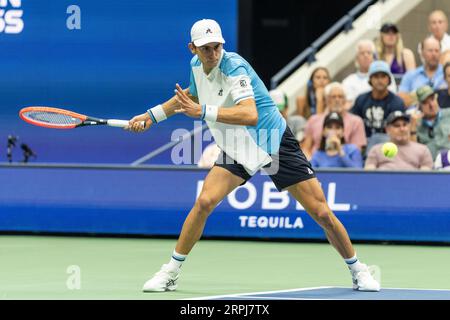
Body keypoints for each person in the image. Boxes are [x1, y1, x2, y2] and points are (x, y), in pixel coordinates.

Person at [127, 19, 379, 292]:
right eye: (205, 48)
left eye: (216, 47)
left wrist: (202, 112)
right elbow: (190, 97)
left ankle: (358, 270)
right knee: (204, 202)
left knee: (321, 213)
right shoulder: (196, 67)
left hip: (272, 141)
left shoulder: (235, 67)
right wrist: (152, 116)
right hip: (237, 145)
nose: (212, 53)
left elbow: (250, 114)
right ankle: (171, 272)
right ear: (193, 49)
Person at [351, 61, 405, 155]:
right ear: (370, 79)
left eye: (383, 76)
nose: (380, 80)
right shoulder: (361, 100)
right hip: (364, 145)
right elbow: (354, 126)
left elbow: (400, 130)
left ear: (389, 79)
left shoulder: (397, 102)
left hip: (390, 146)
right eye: (376, 76)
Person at [302, 82, 367, 159]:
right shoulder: (313, 120)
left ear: (345, 100)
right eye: (333, 97)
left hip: (343, 165)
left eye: (340, 97)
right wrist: (311, 164)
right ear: (327, 100)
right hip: (316, 166)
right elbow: (305, 148)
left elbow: (357, 151)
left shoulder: (356, 121)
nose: (337, 100)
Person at [365, 111, 433, 170]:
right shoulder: (376, 150)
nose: (402, 129)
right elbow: (368, 175)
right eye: (397, 126)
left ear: (409, 127)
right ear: (387, 130)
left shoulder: (423, 150)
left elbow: (426, 178)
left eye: (405, 125)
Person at [342, 39, 397, 109]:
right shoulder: (348, 81)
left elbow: (392, 98)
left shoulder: (387, 76)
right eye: (362, 53)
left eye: (369, 53)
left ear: (374, 57)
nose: (365, 56)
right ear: (356, 58)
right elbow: (348, 106)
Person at [399, 36, 446, 107]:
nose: (434, 54)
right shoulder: (410, 75)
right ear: (422, 52)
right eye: (430, 50)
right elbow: (400, 100)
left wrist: (413, 96)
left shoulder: (447, 74)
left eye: (437, 50)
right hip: (415, 115)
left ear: (440, 53)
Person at [410, 85, 450, 159]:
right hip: (428, 166)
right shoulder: (416, 124)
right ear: (419, 106)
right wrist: (413, 128)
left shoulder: (448, 114)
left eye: (432, 99)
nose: (431, 105)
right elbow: (413, 155)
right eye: (425, 102)